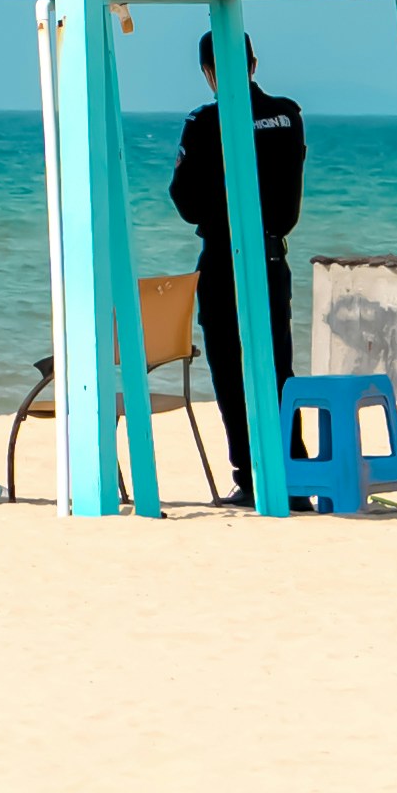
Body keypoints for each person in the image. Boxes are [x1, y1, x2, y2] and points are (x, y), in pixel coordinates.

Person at [170, 34, 308, 495]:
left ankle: (249, 477)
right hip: (271, 255)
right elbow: (287, 200)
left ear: (208, 71)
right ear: (252, 63)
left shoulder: (204, 123)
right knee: (277, 369)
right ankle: (292, 475)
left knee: (230, 371)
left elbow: (186, 202)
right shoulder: (287, 115)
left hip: (223, 257)